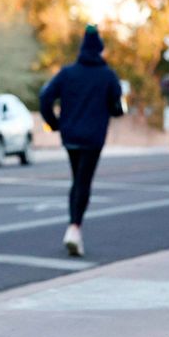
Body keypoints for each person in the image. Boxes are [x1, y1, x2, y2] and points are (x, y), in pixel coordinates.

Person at [39, 25, 123, 257]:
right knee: (83, 182)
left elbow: (45, 97)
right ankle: (74, 228)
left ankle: (73, 227)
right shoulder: (107, 75)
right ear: (100, 50)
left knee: (77, 180)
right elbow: (117, 106)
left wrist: (55, 123)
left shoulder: (67, 74)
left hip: (70, 136)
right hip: (93, 138)